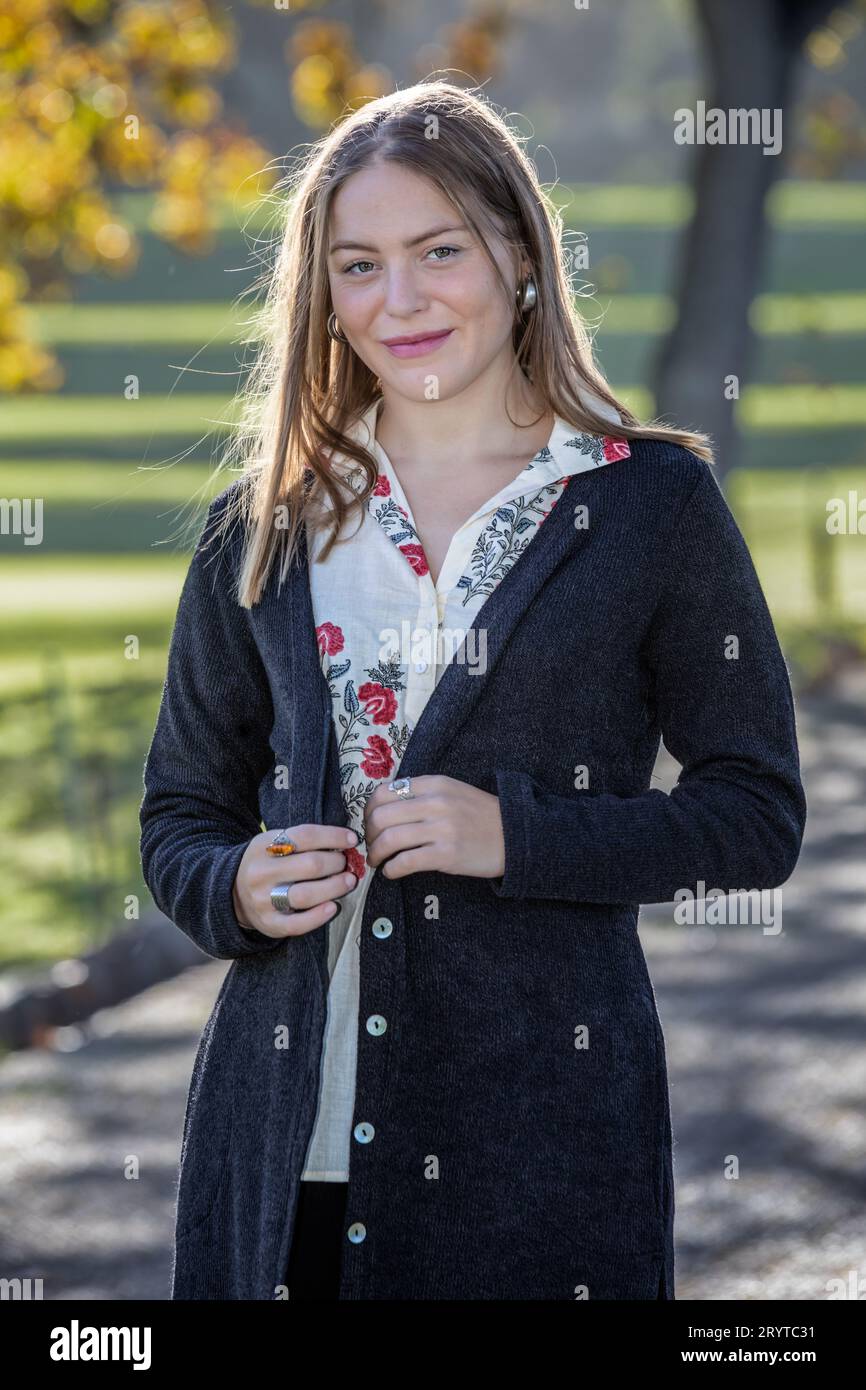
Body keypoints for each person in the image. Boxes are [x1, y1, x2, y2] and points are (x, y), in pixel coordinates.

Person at [139, 80, 807, 1301]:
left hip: (540, 1153)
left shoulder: (648, 508)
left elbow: (755, 816)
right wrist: (232, 880)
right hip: (282, 1137)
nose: (399, 299)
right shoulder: (266, 524)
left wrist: (518, 834)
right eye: (357, 265)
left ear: (517, 252)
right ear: (323, 298)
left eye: (436, 250)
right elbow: (180, 815)